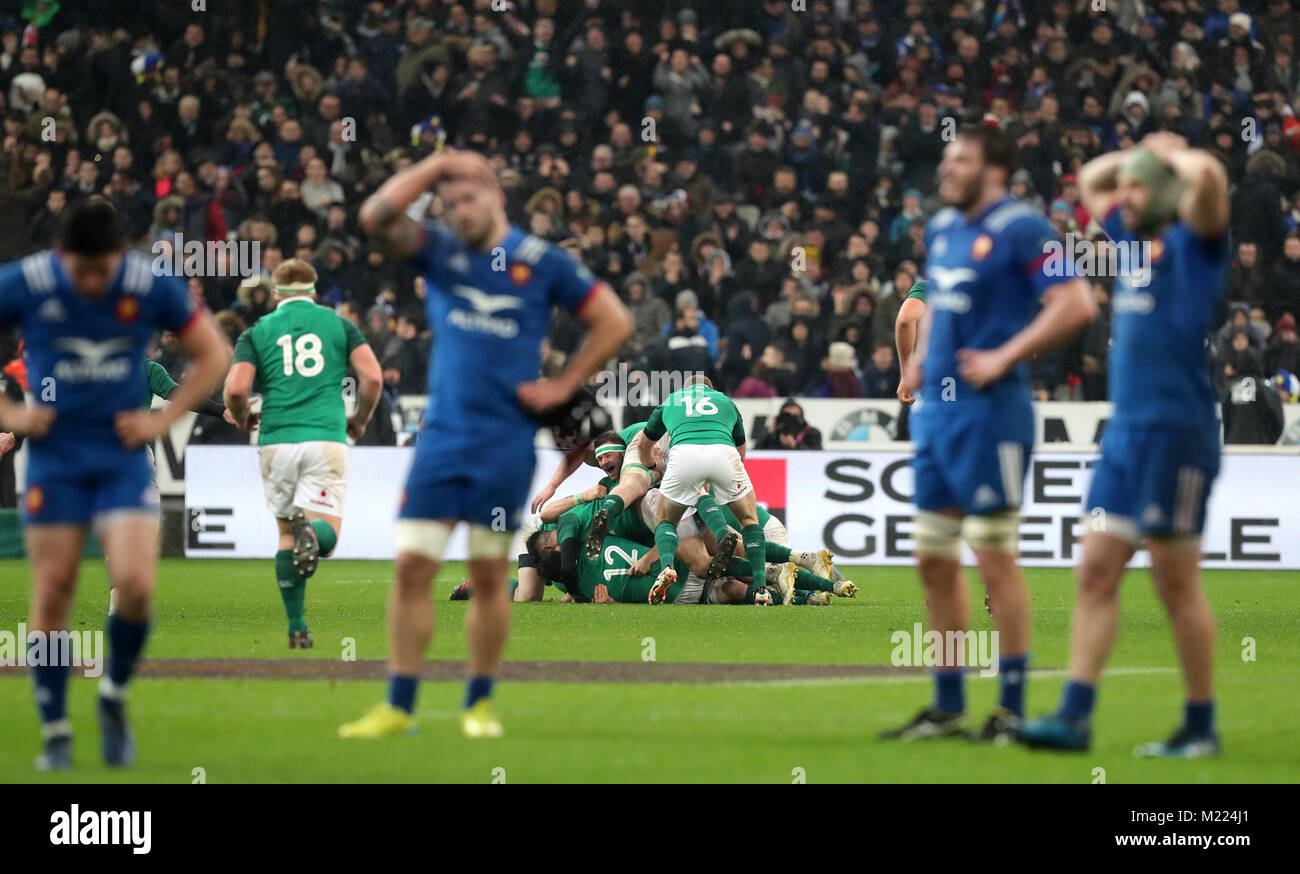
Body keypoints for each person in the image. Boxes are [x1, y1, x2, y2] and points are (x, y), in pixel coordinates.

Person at [339, 149, 631, 740]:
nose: (458, 209)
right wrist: (440, 162)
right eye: (448, 202)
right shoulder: (441, 251)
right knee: (413, 570)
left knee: (490, 575)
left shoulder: (541, 261)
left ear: (496, 194)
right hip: (440, 445)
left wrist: (566, 383)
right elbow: (374, 216)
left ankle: (478, 706)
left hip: (504, 447)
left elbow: (615, 320)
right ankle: (399, 706)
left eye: (469, 196)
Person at [1020, 133, 1231, 757]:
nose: (1125, 193)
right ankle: (1073, 718)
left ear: (1166, 191)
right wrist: (1143, 152)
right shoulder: (1131, 244)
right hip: (1126, 439)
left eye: (1140, 185)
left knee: (1174, 584)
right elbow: (1090, 179)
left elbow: (1213, 182)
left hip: (1178, 436)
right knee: (1094, 571)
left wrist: (1174, 159)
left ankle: (1200, 725)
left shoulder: (1197, 245)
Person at [0, 199, 229, 770]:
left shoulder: (146, 283)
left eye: (104, 269)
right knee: (53, 593)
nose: (95, 281)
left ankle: (113, 697)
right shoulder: (28, 281)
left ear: (118, 256)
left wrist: (157, 420)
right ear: (62, 256)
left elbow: (213, 355)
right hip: (56, 461)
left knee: (134, 584)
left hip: (122, 459)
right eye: (84, 271)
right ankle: (55, 729)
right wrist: (13, 415)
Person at [886, 126, 1095, 743]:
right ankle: (949, 708)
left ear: (995, 169)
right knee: (932, 560)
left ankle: (1010, 710)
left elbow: (1076, 303)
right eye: (946, 157)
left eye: (961, 159)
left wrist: (1006, 356)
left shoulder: (1026, 228)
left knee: (994, 559)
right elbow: (935, 312)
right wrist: (920, 366)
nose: (946, 168)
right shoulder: (946, 230)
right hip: (938, 418)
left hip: (992, 416)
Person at [222, 258, 383, 647]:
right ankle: (312, 532)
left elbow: (237, 391)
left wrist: (243, 417)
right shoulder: (340, 324)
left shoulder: (257, 331)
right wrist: (359, 418)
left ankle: (297, 627)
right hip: (324, 437)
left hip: (275, 439)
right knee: (323, 535)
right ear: (313, 291)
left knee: (285, 534)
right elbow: (373, 377)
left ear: (276, 293)